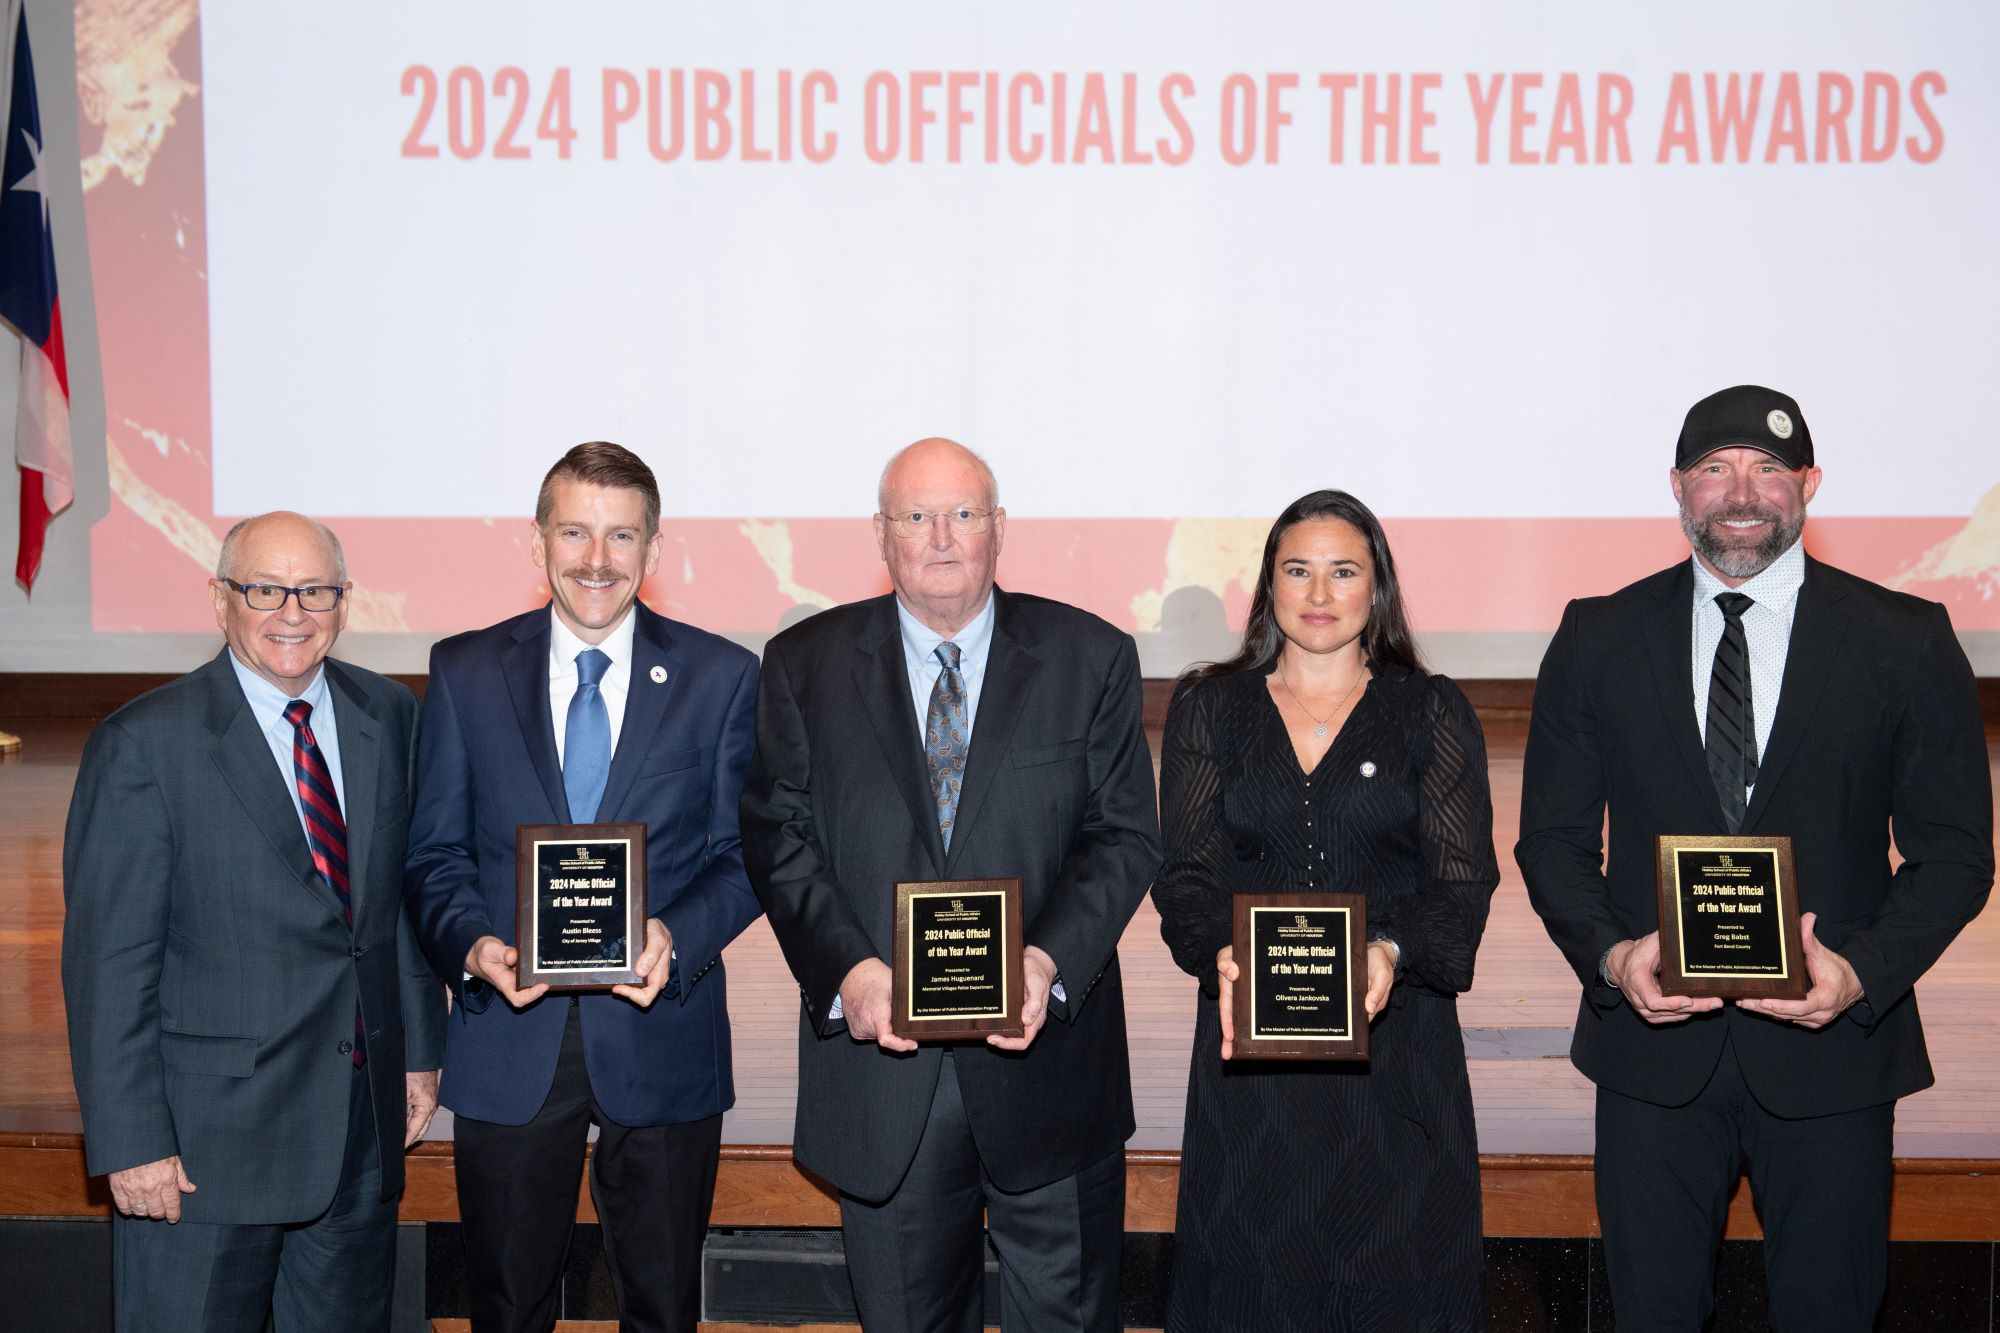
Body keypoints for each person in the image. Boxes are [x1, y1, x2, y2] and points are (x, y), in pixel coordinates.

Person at [1517, 385, 1994, 1331]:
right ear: (1678, 489)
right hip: (1652, 1055)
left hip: (1834, 1056)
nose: (1742, 491)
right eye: (1715, 468)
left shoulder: (1904, 640)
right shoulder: (1598, 635)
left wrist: (1859, 974)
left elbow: (1955, 855)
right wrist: (1615, 959)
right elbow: (1554, 842)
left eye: (1769, 468)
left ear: (1810, 484)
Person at [739, 437, 1161, 1333]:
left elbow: (1122, 836)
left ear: (999, 529)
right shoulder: (803, 664)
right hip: (883, 1077)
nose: (941, 537)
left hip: (1048, 1070)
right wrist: (850, 972)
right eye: (917, 516)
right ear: (882, 534)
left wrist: (1045, 962)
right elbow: (780, 836)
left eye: (964, 514)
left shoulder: (1092, 656)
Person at [405, 441, 761, 1333]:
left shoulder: (722, 677)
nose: (596, 558)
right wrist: (475, 946)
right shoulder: (463, 672)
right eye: (574, 531)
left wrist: (674, 935)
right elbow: (434, 854)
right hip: (512, 1037)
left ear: (653, 548)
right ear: (537, 541)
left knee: (663, 1306)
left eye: (620, 535)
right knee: (508, 1306)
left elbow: (746, 855)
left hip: (662, 1033)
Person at [61, 511, 446, 1333]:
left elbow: (394, 908)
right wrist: (131, 1140)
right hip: (204, 1157)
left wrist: (416, 1051)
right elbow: (109, 966)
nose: (292, 611)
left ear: (345, 600)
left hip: (355, 1135)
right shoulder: (144, 744)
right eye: (264, 588)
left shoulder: (388, 715)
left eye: (315, 589)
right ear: (220, 599)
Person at [1152, 489, 1499, 1330]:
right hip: (1252, 1073)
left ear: (1375, 585)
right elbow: (1187, 882)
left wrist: (1384, 947)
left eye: (1342, 571)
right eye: (1297, 570)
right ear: (1268, 586)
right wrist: (1221, 957)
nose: (1318, 592)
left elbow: (1462, 886)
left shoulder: (1431, 711)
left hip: (1396, 1067)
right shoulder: (1210, 708)